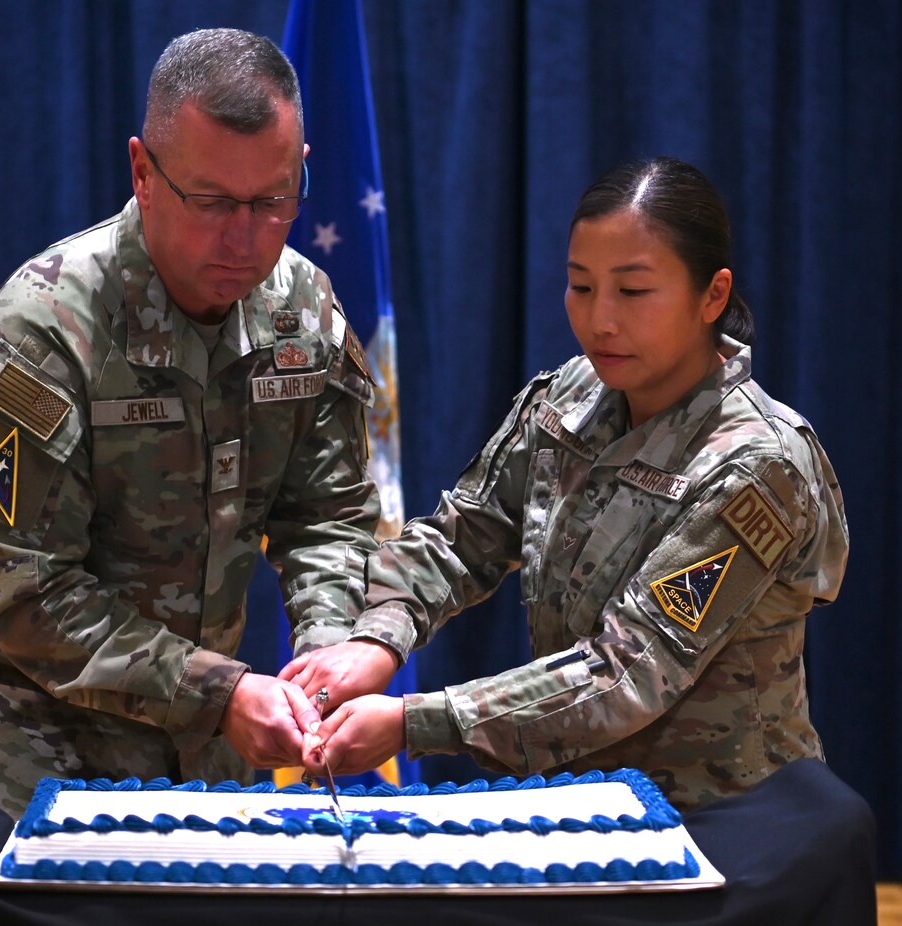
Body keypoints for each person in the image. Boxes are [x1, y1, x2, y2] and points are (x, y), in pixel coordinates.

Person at [0, 28, 384, 814]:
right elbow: (29, 593)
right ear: (143, 172)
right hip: (17, 737)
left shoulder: (303, 312)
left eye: (273, 201)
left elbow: (326, 518)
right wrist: (219, 692)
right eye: (212, 202)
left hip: (199, 738)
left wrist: (328, 648)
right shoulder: (43, 333)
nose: (245, 236)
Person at [290, 157, 849, 810]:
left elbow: (627, 672)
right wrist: (375, 638)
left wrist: (416, 720)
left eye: (632, 291)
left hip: (725, 821)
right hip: (587, 807)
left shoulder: (758, 464)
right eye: (580, 287)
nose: (599, 320)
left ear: (712, 296)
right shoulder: (568, 397)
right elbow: (460, 539)